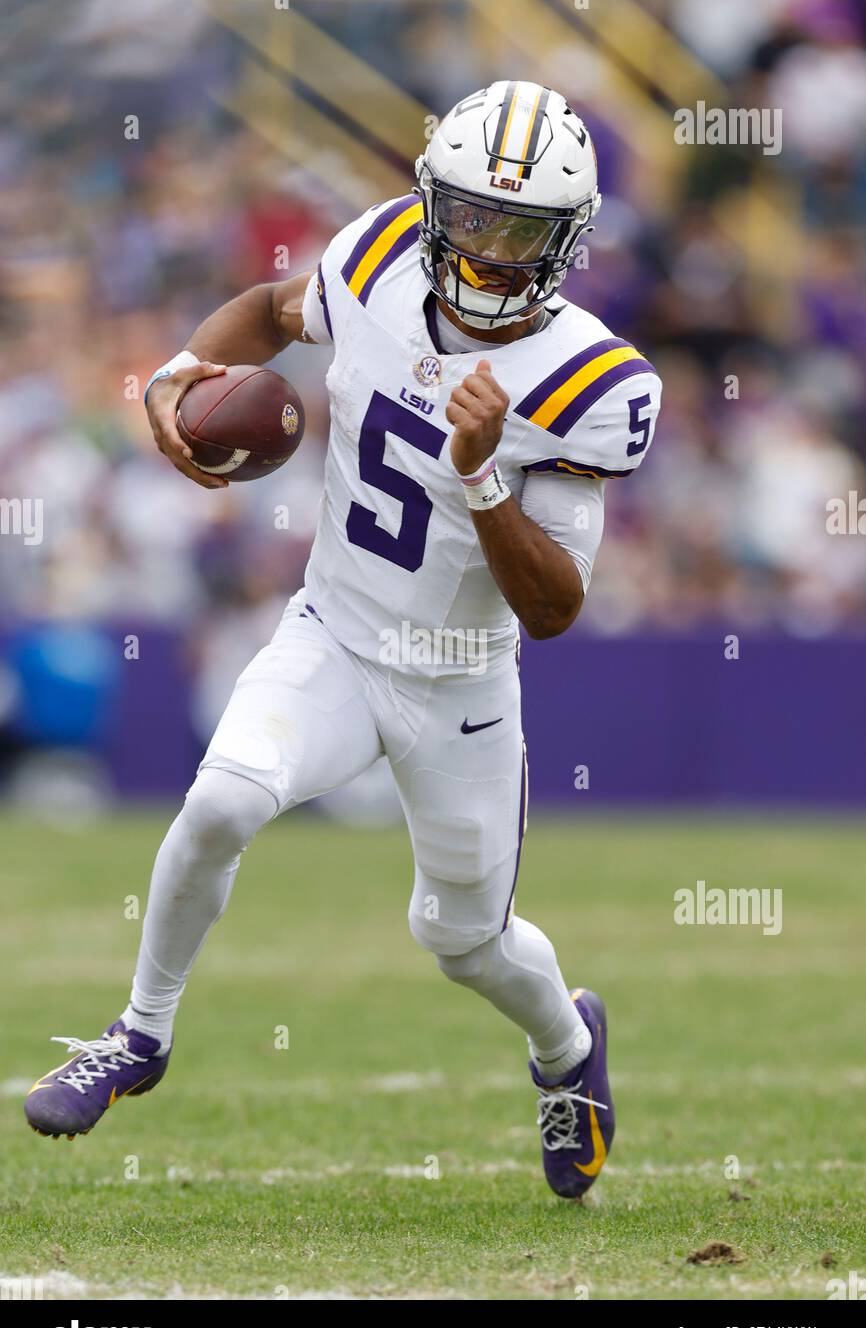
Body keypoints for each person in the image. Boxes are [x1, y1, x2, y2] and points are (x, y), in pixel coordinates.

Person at [26, 81, 661, 1199]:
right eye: (467, 216)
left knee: (462, 942)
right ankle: (139, 1032)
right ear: (429, 205)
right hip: (332, 629)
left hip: (460, 682)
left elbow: (552, 609)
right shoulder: (375, 257)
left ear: (564, 245)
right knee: (222, 799)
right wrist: (180, 375)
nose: (484, 248)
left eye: (518, 232)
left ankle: (567, 1050)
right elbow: (274, 314)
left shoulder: (591, 380)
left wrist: (479, 479)